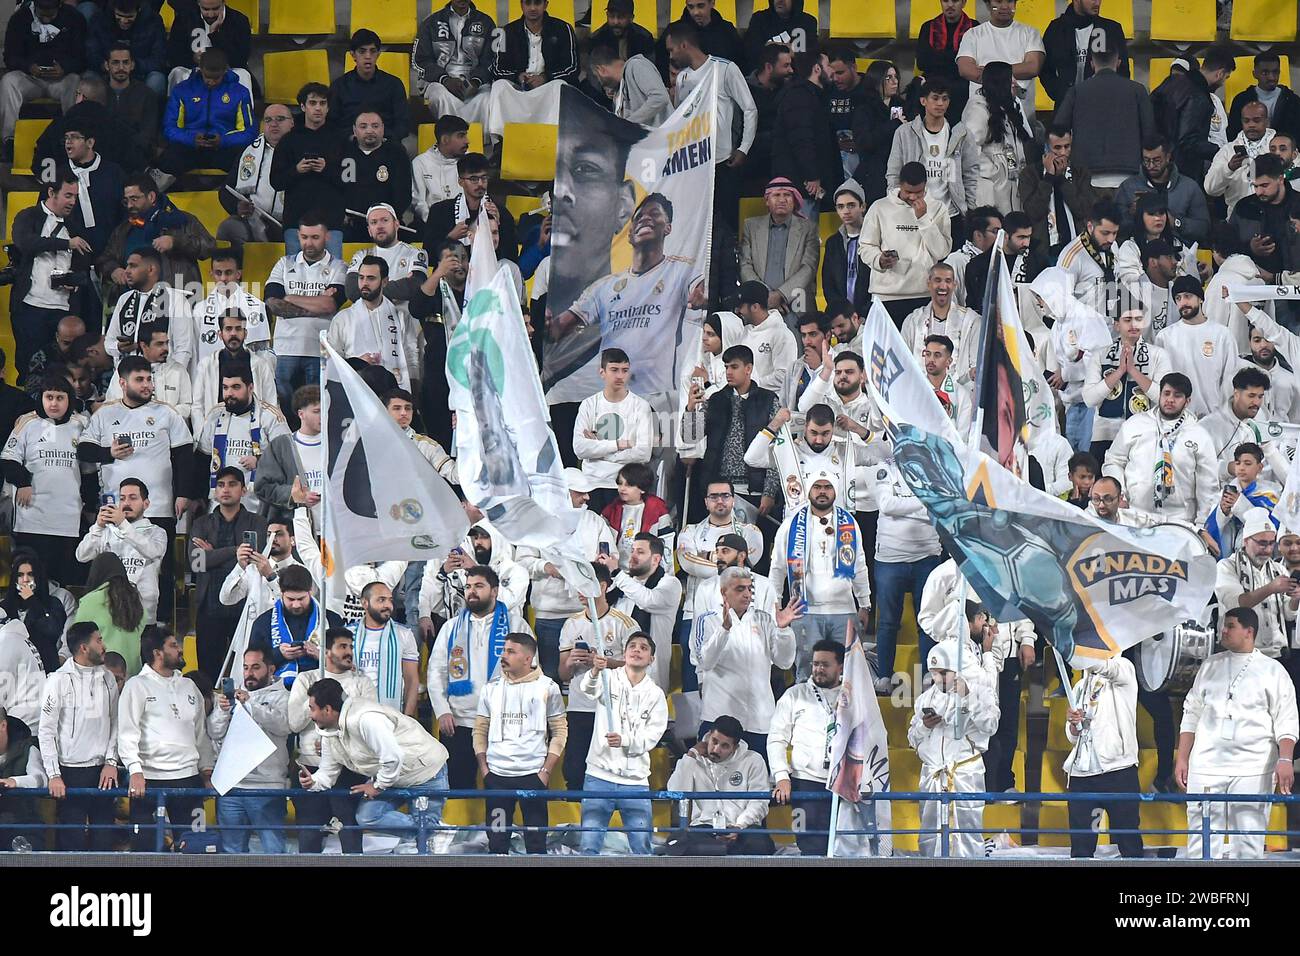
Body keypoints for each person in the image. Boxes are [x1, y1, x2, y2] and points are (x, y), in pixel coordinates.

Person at [1177, 607, 1298, 860]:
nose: (1223, 630)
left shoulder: (1272, 670)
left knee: (1249, 845)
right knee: (1201, 845)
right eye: (1224, 625)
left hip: (1253, 767)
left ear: (1249, 631)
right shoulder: (1210, 665)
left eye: (1230, 626)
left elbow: (1286, 720)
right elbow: (1191, 713)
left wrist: (1285, 759)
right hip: (1206, 765)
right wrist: (1182, 758)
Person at [299, 677, 451, 852]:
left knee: (428, 848)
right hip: (393, 777)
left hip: (426, 773)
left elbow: (393, 757)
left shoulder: (366, 718)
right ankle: (431, 832)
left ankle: (430, 832)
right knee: (368, 817)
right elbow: (327, 772)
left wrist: (378, 786)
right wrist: (313, 782)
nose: (310, 715)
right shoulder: (329, 732)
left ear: (327, 709)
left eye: (312, 709)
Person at [428, 564, 532, 788]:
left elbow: (530, 672)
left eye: (479, 586)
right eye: (468, 587)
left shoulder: (515, 625)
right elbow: (436, 671)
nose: (471, 591)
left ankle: (499, 824)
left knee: (501, 787)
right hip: (459, 720)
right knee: (458, 785)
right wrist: (442, 710)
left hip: (503, 721)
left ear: (494, 591)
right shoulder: (451, 627)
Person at [117, 626, 215, 851]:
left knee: (195, 848)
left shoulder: (189, 686)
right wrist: (135, 771)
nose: (180, 649)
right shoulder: (136, 686)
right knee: (146, 850)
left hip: (189, 779)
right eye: (173, 645)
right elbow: (127, 733)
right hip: (149, 781)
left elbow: (201, 734)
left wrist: (206, 772)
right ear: (157, 653)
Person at [474, 632, 567, 854]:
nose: (503, 655)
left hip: (533, 776)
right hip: (497, 777)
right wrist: (485, 769)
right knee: (497, 844)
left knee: (536, 844)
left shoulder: (548, 687)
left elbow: (560, 731)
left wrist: (545, 772)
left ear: (528, 659)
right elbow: (479, 731)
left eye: (510, 651)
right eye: (504, 650)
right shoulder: (490, 688)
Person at [692, 566, 802, 756]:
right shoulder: (708, 620)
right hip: (719, 721)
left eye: (749, 589)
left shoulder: (764, 619)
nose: (747, 594)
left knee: (758, 783)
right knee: (716, 782)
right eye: (739, 589)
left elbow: (784, 662)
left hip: (760, 721)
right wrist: (724, 629)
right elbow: (704, 662)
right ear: (723, 592)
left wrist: (783, 630)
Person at [771, 473, 869, 680]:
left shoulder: (849, 522)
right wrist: (775, 605)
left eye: (827, 487)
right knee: (807, 673)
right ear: (809, 490)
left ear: (835, 491)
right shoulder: (790, 525)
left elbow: (859, 565)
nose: (822, 491)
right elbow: (777, 568)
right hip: (804, 610)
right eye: (817, 486)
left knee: (848, 674)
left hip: (844, 611)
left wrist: (864, 603)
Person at [578, 631, 668, 855]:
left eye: (643, 648)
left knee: (642, 849)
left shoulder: (656, 694)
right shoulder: (608, 678)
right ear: (625, 653)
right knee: (589, 846)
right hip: (599, 776)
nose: (637, 650)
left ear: (651, 659)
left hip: (635, 781)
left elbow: (653, 736)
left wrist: (625, 741)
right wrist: (596, 670)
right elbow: (586, 689)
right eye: (632, 646)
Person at [287, 627, 376, 854]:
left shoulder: (362, 683)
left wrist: (332, 739)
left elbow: (367, 726)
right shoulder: (306, 679)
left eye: (350, 647)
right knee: (309, 835)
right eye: (342, 646)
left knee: (350, 833)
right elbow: (294, 724)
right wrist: (314, 700)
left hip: (348, 769)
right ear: (326, 651)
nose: (348, 652)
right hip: (310, 766)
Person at [909, 638, 1000, 858]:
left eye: (943, 673)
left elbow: (990, 725)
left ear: (955, 669)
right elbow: (912, 738)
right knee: (930, 831)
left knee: (966, 830)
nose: (937, 679)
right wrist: (923, 726)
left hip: (965, 772)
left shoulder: (981, 691)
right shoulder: (924, 699)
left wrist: (968, 697)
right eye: (933, 673)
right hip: (932, 774)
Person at [38, 622, 120, 851]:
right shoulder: (57, 680)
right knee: (71, 841)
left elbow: (116, 723)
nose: (104, 646)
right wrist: (53, 774)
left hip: (103, 772)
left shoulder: (108, 678)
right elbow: (46, 731)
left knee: (104, 841)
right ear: (84, 648)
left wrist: (111, 762)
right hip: (69, 773)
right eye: (99, 640)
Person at [1, 376, 89, 586]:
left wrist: (91, 504)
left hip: (67, 519)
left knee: (61, 581)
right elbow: (8, 459)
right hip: (32, 518)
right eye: (49, 397)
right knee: (29, 580)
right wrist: (23, 482)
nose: (54, 403)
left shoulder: (82, 424)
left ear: (69, 400)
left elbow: (89, 471)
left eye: (60, 397)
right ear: (41, 398)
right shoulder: (27, 423)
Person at [1102, 372, 1217, 524]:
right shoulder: (1135, 424)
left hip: (1179, 520)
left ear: (1187, 401)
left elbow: (1207, 484)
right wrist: (1119, 496)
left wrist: (1203, 523)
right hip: (1134, 515)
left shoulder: (1199, 435)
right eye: (1166, 393)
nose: (1170, 400)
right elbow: (1113, 461)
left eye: (1177, 395)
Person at [207, 645, 291, 853]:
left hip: (267, 787)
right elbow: (215, 732)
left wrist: (250, 703)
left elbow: (283, 725)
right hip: (232, 785)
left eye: (255, 667)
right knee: (232, 851)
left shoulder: (283, 696)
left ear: (271, 669)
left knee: (274, 851)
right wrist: (223, 710)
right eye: (245, 667)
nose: (249, 673)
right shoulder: (233, 697)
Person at [187, 467, 267, 680]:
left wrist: (212, 556)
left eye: (232, 484)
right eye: (221, 485)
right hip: (209, 607)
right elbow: (196, 563)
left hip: (244, 608)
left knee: (245, 671)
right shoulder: (201, 523)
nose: (225, 489)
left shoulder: (257, 522)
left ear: (244, 490)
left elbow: (252, 560)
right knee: (208, 671)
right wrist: (234, 551)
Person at [11, 175, 93, 378]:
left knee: (63, 372)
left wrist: (74, 280)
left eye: (75, 196)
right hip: (31, 307)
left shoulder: (75, 227)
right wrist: (66, 244)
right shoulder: (28, 216)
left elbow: (85, 266)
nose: (73, 201)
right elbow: (26, 243)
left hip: (64, 311)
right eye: (68, 195)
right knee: (30, 369)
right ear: (51, 193)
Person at [1062, 652, 1142, 857]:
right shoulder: (1080, 685)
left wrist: (1077, 653)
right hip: (1081, 775)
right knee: (1081, 848)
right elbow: (1072, 738)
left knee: (1128, 843)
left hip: (1118, 772)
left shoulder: (1123, 669)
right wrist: (1074, 725)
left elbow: (1107, 668)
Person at [264, 216, 349, 409]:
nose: (309, 243)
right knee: (283, 408)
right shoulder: (284, 264)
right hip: (284, 349)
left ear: (326, 237)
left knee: (317, 408)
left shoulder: (339, 267)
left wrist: (290, 298)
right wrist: (316, 303)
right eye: (304, 237)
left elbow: (329, 305)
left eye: (315, 237)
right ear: (298, 236)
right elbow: (273, 305)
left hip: (320, 350)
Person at [886, 77, 979, 244]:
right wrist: (897, 204)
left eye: (945, 99)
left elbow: (970, 173)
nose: (940, 103)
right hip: (914, 211)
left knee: (949, 267)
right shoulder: (904, 133)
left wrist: (970, 209)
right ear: (923, 101)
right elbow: (894, 172)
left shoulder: (961, 134)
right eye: (935, 98)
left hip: (951, 213)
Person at [97, 176, 215, 308]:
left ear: (151, 197)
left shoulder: (181, 220)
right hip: (135, 307)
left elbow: (209, 246)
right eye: (126, 201)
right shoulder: (124, 229)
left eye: (134, 199)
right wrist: (113, 270)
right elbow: (105, 258)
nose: (130, 205)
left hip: (176, 304)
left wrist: (176, 242)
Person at [666, 714, 773, 855]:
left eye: (724, 746)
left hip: (742, 828)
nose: (716, 749)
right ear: (709, 735)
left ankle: (718, 850)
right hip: (704, 828)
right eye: (714, 741)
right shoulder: (693, 759)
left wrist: (739, 826)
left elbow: (759, 802)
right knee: (678, 843)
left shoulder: (753, 760)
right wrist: (690, 756)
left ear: (735, 747)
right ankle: (719, 850)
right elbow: (675, 791)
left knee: (758, 843)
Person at [861, 161, 952, 323]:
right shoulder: (880, 207)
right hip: (886, 295)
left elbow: (941, 252)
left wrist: (923, 218)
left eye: (918, 192)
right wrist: (879, 259)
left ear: (925, 186)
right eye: (908, 191)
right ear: (900, 185)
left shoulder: (938, 208)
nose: (913, 197)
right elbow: (866, 247)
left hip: (923, 293)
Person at [75, 477, 168, 625]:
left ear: (146, 503)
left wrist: (122, 524)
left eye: (133, 498)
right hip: (109, 611)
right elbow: (82, 555)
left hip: (143, 613)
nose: (126, 503)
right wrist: (98, 527)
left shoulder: (157, 532)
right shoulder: (107, 531)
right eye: (122, 498)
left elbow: (152, 551)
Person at [1081, 308, 1170, 461]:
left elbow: (1163, 397)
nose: (1134, 324)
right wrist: (1120, 371)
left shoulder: (1158, 355)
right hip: (1105, 434)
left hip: (1144, 434)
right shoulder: (1100, 355)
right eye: (1128, 320)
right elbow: (1089, 399)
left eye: (1138, 319)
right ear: (1117, 325)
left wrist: (1133, 371)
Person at [0, 0, 86, 154]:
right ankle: (9, 140)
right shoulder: (21, 18)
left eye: (50, 15)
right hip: (31, 79)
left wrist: (65, 67)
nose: (46, 19)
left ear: (59, 7)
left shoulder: (74, 18)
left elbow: (83, 57)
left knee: (75, 81)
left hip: (61, 79)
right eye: (42, 15)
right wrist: (28, 66)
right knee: (8, 81)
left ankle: (73, 136)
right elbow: (10, 56)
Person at [600, 532, 682, 693]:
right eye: (632, 550)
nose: (633, 556)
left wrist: (617, 574)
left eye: (640, 552)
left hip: (651, 678)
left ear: (656, 559)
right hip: (617, 675)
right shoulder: (621, 587)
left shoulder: (670, 584)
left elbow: (647, 601)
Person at [269, 84, 346, 256]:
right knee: (295, 278)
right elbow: (276, 181)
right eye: (312, 103)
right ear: (303, 107)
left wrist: (326, 169)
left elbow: (351, 179)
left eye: (322, 103)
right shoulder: (288, 141)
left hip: (331, 223)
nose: (318, 108)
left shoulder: (341, 140)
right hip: (296, 223)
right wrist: (296, 170)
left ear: (328, 107)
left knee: (332, 277)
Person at [572, 348, 654, 502]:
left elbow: (643, 453)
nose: (620, 376)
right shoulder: (589, 404)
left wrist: (598, 447)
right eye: (614, 370)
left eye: (625, 370)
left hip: (625, 485)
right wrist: (618, 444)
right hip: (592, 484)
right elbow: (579, 449)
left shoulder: (641, 406)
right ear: (602, 372)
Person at [158, 48, 254, 179]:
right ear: (200, 69)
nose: (211, 81)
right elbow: (169, 128)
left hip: (224, 148)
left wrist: (223, 140)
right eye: (207, 77)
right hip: (191, 148)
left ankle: (236, 197)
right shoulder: (182, 90)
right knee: (167, 159)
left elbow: (249, 132)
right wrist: (191, 139)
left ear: (225, 71)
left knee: (247, 161)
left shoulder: (240, 92)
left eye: (216, 78)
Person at [1154, 276, 1238, 418]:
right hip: (1176, 418)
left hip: (1213, 418)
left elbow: (1230, 380)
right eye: (1178, 298)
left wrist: (1223, 415)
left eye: (1188, 296)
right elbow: (1159, 383)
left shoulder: (1222, 334)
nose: (1183, 303)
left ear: (1200, 298)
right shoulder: (1165, 337)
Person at [328, 257, 417, 390]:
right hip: (356, 391)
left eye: (371, 278)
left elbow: (411, 356)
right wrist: (357, 363)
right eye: (361, 277)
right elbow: (331, 361)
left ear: (385, 282)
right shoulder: (343, 318)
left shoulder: (401, 316)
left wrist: (414, 388)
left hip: (394, 392)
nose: (364, 283)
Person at [248, 564, 342, 687]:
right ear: (281, 593)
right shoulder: (263, 622)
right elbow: (251, 663)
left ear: (311, 591)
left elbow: (346, 661)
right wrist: (278, 654)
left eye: (301, 598)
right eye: (291, 599)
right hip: (277, 692)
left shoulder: (332, 620)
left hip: (323, 689)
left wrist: (321, 655)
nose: (296, 605)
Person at [770, 51, 839, 218]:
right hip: (800, 186)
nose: (832, 70)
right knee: (800, 237)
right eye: (828, 65)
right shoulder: (800, 97)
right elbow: (802, 140)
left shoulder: (811, 96)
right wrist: (812, 176)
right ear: (817, 69)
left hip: (804, 184)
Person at [962, 60, 1037, 214]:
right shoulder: (978, 109)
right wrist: (993, 170)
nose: (1015, 83)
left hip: (1013, 189)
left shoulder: (1009, 106)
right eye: (1011, 79)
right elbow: (968, 152)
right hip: (991, 193)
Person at [1152, 45, 1234, 183]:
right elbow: (1188, 141)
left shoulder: (1171, 82)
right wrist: (1221, 151)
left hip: (1156, 165)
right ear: (1219, 73)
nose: (1223, 83)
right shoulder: (1199, 97)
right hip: (1180, 173)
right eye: (1226, 77)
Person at [739, 179, 821, 316]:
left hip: (796, 305)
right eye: (776, 195)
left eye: (787, 195)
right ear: (767, 201)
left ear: (794, 200)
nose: (782, 200)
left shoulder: (808, 228)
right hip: (760, 305)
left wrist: (781, 295)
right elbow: (745, 265)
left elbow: (809, 267)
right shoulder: (751, 226)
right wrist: (765, 296)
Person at [217, 103, 291, 247]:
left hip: (291, 224)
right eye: (268, 120)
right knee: (229, 228)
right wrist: (237, 206)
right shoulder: (248, 152)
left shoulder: (302, 151)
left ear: (292, 123)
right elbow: (226, 191)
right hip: (254, 219)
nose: (274, 124)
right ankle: (237, 270)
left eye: (280, 119)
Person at [956, 0, 1045, 120]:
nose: (1004, 6)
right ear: (987, 4)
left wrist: (989, 73)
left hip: (1022, 115)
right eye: (998, 1)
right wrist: (1012, 73)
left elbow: (1033, 67)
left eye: (1010, 1)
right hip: (981, 115)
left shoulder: (1030, 33)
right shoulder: (973, 34)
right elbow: (965, 69)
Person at [1019, 127, 1100, 259]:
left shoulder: (1080, 173)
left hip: (1077, 246)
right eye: (1057, 148)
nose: (1063, 152)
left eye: (1067, 146)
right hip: (1045, 249)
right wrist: (1049, 178)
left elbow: (1083, 210)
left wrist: (1061, 179)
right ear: (1046, 148)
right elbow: (1034, 212)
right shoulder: (1030, 174)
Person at [1114, 137, 1211, 247]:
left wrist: (1176, 222)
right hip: (1137, 250)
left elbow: (1203, 229)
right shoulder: (1128, 187)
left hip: (1178, 251)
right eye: (1146, 160)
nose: (1150, 166)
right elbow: (1115, 227)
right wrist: (1132, 215)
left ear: (1168, 157)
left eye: (1156, 160)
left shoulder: (1189, 187)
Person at [424, 152, 518, 262]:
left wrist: (499, 225)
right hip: (452, 273)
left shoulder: (501, 213)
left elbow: (511, 257)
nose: (480, 184)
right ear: (460, 182)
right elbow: (429, 256)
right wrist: (450, 238)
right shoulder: (440, 211)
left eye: (484, 178)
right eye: (474, 179)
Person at [414, 0, 497, 124]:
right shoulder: (431, 22)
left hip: (475, 82)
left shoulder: (486, 22)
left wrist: (476, 81)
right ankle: (450, 141)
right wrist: (445, 79)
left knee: (486, 99)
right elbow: (420, 60)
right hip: (439, 81)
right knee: (441, 97)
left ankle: (479, 142)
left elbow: (492, 59)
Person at [191, 311, 275, 428]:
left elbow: (271, 404)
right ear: (220, 334)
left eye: (238, 329)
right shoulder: (206, 364)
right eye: (228, 329)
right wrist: (203, 436)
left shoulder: (261, 365)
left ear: (245, 333)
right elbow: (197, 406)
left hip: (252, 431)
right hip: (215, 431)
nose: (233, 333)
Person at [1228, 154, 1300, 289]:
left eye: (1265, 185)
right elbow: (1228, 246)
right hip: (1254, 284)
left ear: (1280, 178)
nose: (1259, 191)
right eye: (1255, 186)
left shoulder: (1298, 205)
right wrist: (1250, 247)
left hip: (1293, 288)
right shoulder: (1244, 207)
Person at [351, 581, 421, 718]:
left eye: (390, 600)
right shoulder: (347, 635)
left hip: (392, 714)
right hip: (355, 714)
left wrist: (406, 719)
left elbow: (411, 680)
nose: (388, 605)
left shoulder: (404, 634)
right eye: (381, 600)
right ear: (365, 603)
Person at [1039, 0, 1128, 107]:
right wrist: (1060, 94)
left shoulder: (1112, 29)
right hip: (1067, 108)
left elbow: (1123, 71)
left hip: (1103, 107)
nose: (1097, 3)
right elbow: (1045, 69)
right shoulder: (1056, 28)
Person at [329, 29, 410, 144]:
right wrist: (353, 138)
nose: (368, 56)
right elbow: (332, 124)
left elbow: (403, 124)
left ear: (378, 54)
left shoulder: (394, 84)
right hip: (350, 146)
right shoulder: (339, 86)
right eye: (362, 51)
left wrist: (382, 138)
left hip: (386, 144)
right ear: (353, 55)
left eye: (372, 51)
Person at [1205, 101, 1276, 220]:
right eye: (1246, 121)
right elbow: (1210, 189)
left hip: (1275, 215)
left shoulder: (1279, 146)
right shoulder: (1227, 150)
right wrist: (1228, 169)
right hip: (1239, 219)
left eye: (1257, 120)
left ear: (1267, 121)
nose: (1251, 125)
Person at [74, 552, 146, 666]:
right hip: (133, 673)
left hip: (104, 672)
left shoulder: (90, 601)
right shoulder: (136, 601)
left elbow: (77, 637)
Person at [490, 0, 578, 93]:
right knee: (499, 85)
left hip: (550, 85)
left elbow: (572, 68)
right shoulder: (507, 31)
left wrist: (545, 78)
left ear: (545, 5)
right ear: (521, 5)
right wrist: (518, 76)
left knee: (559, 84)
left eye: (537, 3)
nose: (532, 8)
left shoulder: (563, 28)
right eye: (528, 3)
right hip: (518, 87)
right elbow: (497, 69)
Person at [1055, 200, 1122, 320]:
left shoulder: (1113, 246)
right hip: (1085, 331)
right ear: (1090, 227)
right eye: (1105, 233)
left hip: (1112, 329)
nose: (1111, 239)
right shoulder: (1072, 256)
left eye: (1115, 233)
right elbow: (1060, 302)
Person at [1, 550, 66, 672]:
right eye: (20, 575)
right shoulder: (5, 606)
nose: (25, 579)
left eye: (30, 574)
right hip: (10, 672)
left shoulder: (52, 604)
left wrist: (33, 602)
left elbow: (53, 630)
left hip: (43, 670)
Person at [900, 262, 979, 363]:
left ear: (954, 285)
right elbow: (903, 361)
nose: (943, 286)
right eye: (937, 280)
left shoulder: (971, 321)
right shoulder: (912, 321)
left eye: (948, 281)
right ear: (929, 284)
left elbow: (975, 365)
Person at [87, 0, 167, 97]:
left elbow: (159, 59)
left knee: (156, 80)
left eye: (129, 17)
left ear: (139, 10)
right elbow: (91, 53)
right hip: (106, 73)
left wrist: (134, 65)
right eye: (119, 16)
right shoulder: (99, 20)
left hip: (140, 74)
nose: (124, 21)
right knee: (89, 79)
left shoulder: (153, 22)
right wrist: (105, 65)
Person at [165, 0, 251, 90]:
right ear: (198, 3)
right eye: (206, 9)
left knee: (243, 74)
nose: (211, 14)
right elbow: (173, 55)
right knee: (177, 72)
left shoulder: (239, 20)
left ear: (223, 3)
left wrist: (215, 35)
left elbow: (241, 59)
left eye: (215, 9)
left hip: (226, 70)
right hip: (193, 68)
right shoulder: (184, 19)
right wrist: (193, 58)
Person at [915, 0, 976, 122]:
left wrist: (938, 57)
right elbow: (922, 62)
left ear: (964, 3)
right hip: (934, 83)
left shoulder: (975, 28)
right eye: (945, 1)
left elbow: (974, 63)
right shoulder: (928, 27)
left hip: (962, 85)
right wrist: (957, 59)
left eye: (955, 1)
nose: (950, 5)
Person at [102, 43, 160, 168]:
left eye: (126, 62)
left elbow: (148, 134)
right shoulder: (98, 92)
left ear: (132, 65)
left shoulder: (146, 94)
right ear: (107, 65)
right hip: (104, 155)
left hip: (135, 156)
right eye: (115, 63)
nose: (121, 67)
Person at [654, 0, 744, 80]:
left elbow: (740, 64)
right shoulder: (673, 31)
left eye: (701, 6)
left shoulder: (727, 30)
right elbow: (661, 65)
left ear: (712, 3)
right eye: (691, 7)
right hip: (684, 91)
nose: (695, 12)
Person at [588, 43, 670, 127]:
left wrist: (628, 124)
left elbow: (660, 97)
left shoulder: (636, 66)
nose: (599, 82)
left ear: (600, 69)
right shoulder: (619, 89)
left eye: (596, 76)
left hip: (667, 137)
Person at [1227, 51, 1300, 143]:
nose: (1271, 78)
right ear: (1254, 74)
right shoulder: (1241, 100)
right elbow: (1233, 134)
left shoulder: (1293, 101)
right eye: (1265, 73)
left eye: (1275, 72)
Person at [822, 180, 870, 314]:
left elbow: (879, 282)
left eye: (851, 205)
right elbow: (828, 284)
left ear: (863, 206)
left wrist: (866, 314)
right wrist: (841, 314)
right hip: (843, 317)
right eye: (840, 206)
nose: (846, 211)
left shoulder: (876, 238)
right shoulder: (833, 243)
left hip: (870, 315)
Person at [412, 115, 470, 224]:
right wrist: (435, 225)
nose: (467, 141)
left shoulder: (471, 161)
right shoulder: (420, 163)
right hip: (430, 225)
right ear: (445, 140)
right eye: (461, 136)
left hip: (465, 225)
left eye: (466, 135)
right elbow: (419, 203)